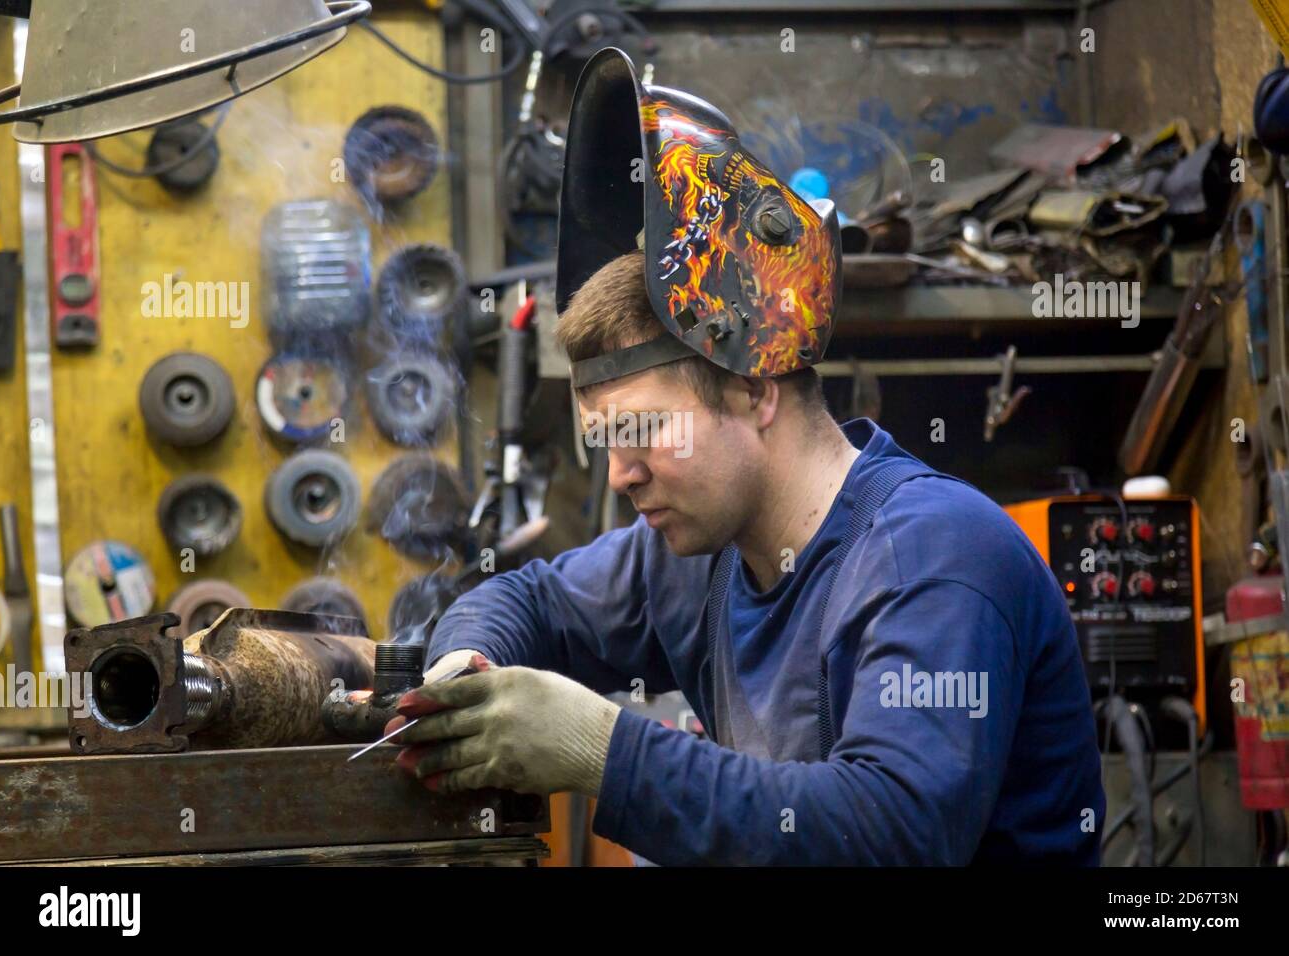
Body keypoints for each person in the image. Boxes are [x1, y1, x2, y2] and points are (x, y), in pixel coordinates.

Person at [384, 48, 1104, 865]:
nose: (620, 475)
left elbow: (893, 834)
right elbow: (535, 601)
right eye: (605, 441)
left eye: (642, 432)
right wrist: (465, 662)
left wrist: (601, 749)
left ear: (754, 388)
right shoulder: (696, 556)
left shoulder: (933, 559)